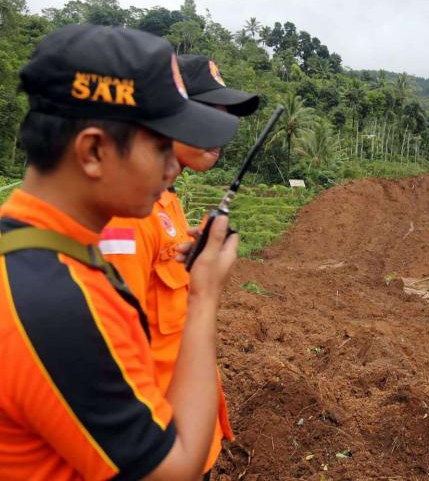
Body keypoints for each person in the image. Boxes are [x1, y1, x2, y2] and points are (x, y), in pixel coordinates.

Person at [0, 24, 238, 480]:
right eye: (160, 147)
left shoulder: (41, 259)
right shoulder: (55, 306)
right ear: (92, 151)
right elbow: (175, 469)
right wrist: (204, 294)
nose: (173, 168)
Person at [100, 54, 259, 474]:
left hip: (189, 438)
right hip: (159, 452)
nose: (218, 132)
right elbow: (113, 358)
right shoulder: (127, 215)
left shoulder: (166, 202)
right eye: (207, 114)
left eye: (224, 118)